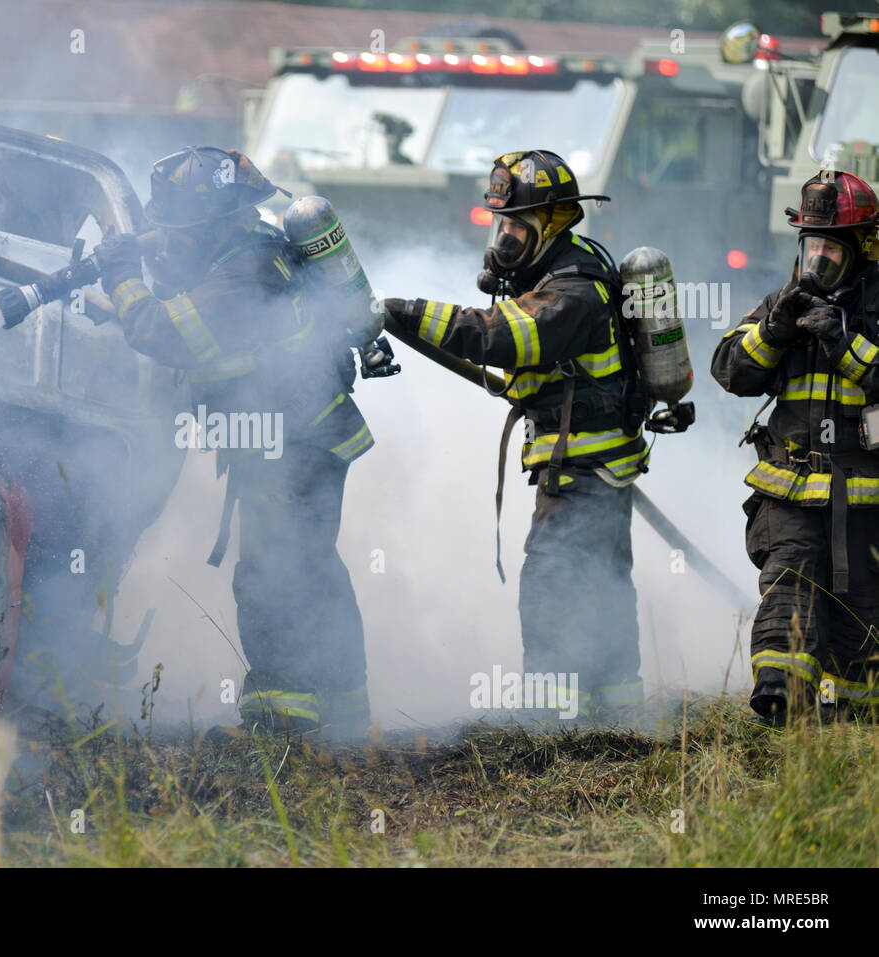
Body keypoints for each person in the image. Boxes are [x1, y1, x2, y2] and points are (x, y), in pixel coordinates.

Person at [93, 146, 374, 739]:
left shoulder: (245, 268)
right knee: (314, 567)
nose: (167, 241)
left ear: (208, 223)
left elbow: (162, 331)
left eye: (176, 231)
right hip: (301, 438)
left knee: (274, 573)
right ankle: (345, 712)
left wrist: (120, 280)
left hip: (292, 444)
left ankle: (282, 722)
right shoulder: (245, 253)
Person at [382, 149, 648, 717]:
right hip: (589, 467)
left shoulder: (574, 290)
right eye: (499, 225)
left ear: (552, 224)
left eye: (515, 227)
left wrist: (401, 311)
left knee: (551, 585)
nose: (503, 239)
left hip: (585, 469)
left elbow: (502, 338)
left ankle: (548, 724)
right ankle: (619, 718)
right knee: (602, 586)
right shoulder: (554, 276)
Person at [711, 170, 879, 723]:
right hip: (790, 490)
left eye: (832, 249)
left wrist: (844, 341)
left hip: (865, 501)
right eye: (811, 246)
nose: (819, 261)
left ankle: (846, 723)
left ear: (862, 249)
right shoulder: (785, 302)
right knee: (789, 585)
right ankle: (778, 696)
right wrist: (773, 332)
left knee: (860, 637)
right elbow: (730, 371)